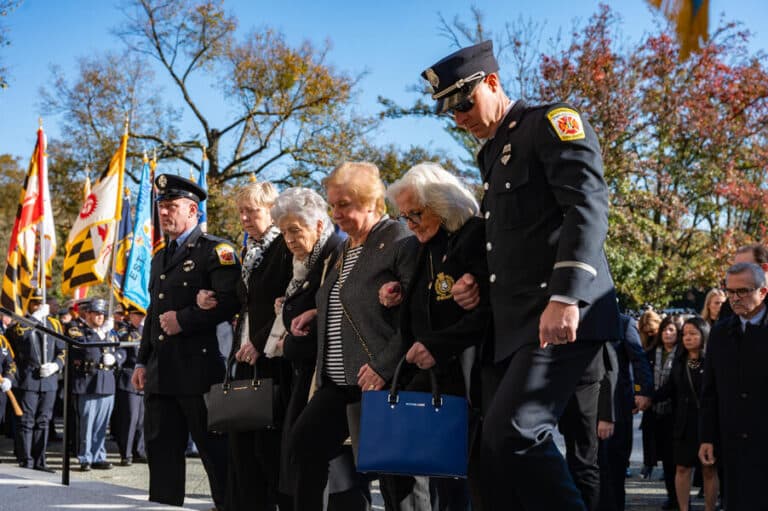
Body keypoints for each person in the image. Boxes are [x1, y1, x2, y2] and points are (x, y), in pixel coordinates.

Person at [421, 41, 620, 510]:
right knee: (492, 454)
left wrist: (566, 296)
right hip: (513, 326)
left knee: (515, 432)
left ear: (492, 82)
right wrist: (473, 281)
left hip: (559, 314)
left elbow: (587, 206)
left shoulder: (549, 123)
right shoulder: (492, 153)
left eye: (465, 104)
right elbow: (510, 240)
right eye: (451, 111)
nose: (460, 118)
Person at [288, 161, 420, 511]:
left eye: (344, 204)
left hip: (382, 379)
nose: (336, 214)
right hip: (339, 381)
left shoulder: (399, 239)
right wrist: (317, 312)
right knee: (304, 446)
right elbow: (351, 298)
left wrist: (384, 367)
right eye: (333, 205)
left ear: (372, 202)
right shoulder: (344, 248)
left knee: (396, 480)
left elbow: (417, 315)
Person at [384, 162, 490, 510]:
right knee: (400, 461)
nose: (410, 224)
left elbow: (486, 311)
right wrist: (394, 296)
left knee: (463, 482)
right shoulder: (419, 248)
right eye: (404, 217)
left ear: (442, 204)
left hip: (466, 378)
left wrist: (437, 345)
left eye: (415, 213)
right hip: (428, 375)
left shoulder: (473, 235)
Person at [132, 174, 240, 510]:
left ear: (193, 210)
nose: (164, 212)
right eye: (161, 206)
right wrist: (141, 360)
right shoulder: (158, 257)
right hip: (161, 374)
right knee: (162, 459)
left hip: (201, 373)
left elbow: (231, 301)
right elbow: (153, 313)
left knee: (217, 458)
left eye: (172, 206)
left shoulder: (216, 251)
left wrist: (185, 319)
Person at [197, 180, 294, 511]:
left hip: (274, 360)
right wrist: (210, 298)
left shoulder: (285, 246)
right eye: (241, 211)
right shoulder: (249, 249)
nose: (244, 218)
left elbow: (289, 303)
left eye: (251, 211)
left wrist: (260, 341)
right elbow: (247, 302)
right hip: (245, 359)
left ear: (272, 210)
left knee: (269, 452)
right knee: (243, 453)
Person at [270, 187, 367, 509]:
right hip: (308, 375)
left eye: (295, 230)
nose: (289, 239)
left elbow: (334, 319)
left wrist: (290, 342)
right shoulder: (306, 262)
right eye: (284, 232)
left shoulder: (335, 255)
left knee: (338, 473)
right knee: (306, 459)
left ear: (319, 225)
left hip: (329, 374)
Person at [699, 262, 768, 511]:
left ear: (763, 292)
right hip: (733, 443)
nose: (735, 298)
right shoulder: (720, 333)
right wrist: (707, 437)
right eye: (730, 291)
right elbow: (710, 391)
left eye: (743, 291)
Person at [652, 317, 717, 511]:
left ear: (704, 335)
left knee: (708, 469)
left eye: (693, 334)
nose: (687, 338)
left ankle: (710, 508)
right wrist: (647, 399)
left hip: (707, 423)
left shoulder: (713, 361)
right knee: (681, 467)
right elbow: (669, 388)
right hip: (683, 424)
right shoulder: (680, 361)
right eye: (685, 334)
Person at [597, 314, 653, 511]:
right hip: (587, 402)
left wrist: (642, 390)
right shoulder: (580, 320)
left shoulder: (623, 323)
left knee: (614, 465)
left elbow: (638, 358)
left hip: (618, 403)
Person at [5, 289, 64, 473]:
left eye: (41, 303)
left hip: (48, 379)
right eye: (35, 303)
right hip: (28, 379)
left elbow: (63, 349)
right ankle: (26, 460)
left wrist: (56, 365)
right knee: (26, 421)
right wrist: (36, 318)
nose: (38, 306)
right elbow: (19, 335)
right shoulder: (20, 323)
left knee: (44, 421)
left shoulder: (54, 324)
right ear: (29, 305)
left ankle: (40, 460)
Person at [66, 298, 121, 471]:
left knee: (102, 425)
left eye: (102, 314)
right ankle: (85, 457)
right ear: (87, 314)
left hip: (107, 382)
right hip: (88, 383)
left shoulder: (110, 333)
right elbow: (84, 349)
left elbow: (121, 351)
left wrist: (116, 358)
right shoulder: (77, 331)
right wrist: (100, 335)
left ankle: (98, 456)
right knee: (86, 425)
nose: (100, 317)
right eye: (96, 313)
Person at [641, 315, 680, 509]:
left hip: (676, 412)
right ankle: (672, 498)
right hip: (654, 414)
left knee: (677, 461)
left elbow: (676, 384)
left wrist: (652, 397)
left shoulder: (685, 356)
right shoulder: (650, 354)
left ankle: (680, 499)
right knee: (665, 460)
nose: (667, 333)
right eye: (664, 329)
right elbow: (642, 377)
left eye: (672, 330)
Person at [114, 306, 147, 466]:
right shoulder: (126, 333)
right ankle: (126, 454)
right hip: (129, 379)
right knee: (130, 419)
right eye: (137, 314)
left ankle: (139, 451)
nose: (140, 317)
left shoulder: (146, 331)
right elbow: (123, 355)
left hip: (144, 380)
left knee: (141, 420)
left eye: (142, 314)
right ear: (131, 316)